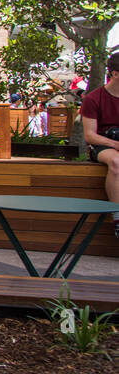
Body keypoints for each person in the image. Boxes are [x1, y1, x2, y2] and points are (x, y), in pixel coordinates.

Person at [81, 52, 119, 241]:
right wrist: (115, 144)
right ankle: (118, 219)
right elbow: (90, 135)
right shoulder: (94, 99)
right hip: (102, 144)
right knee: (116, 162)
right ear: (115, 74)